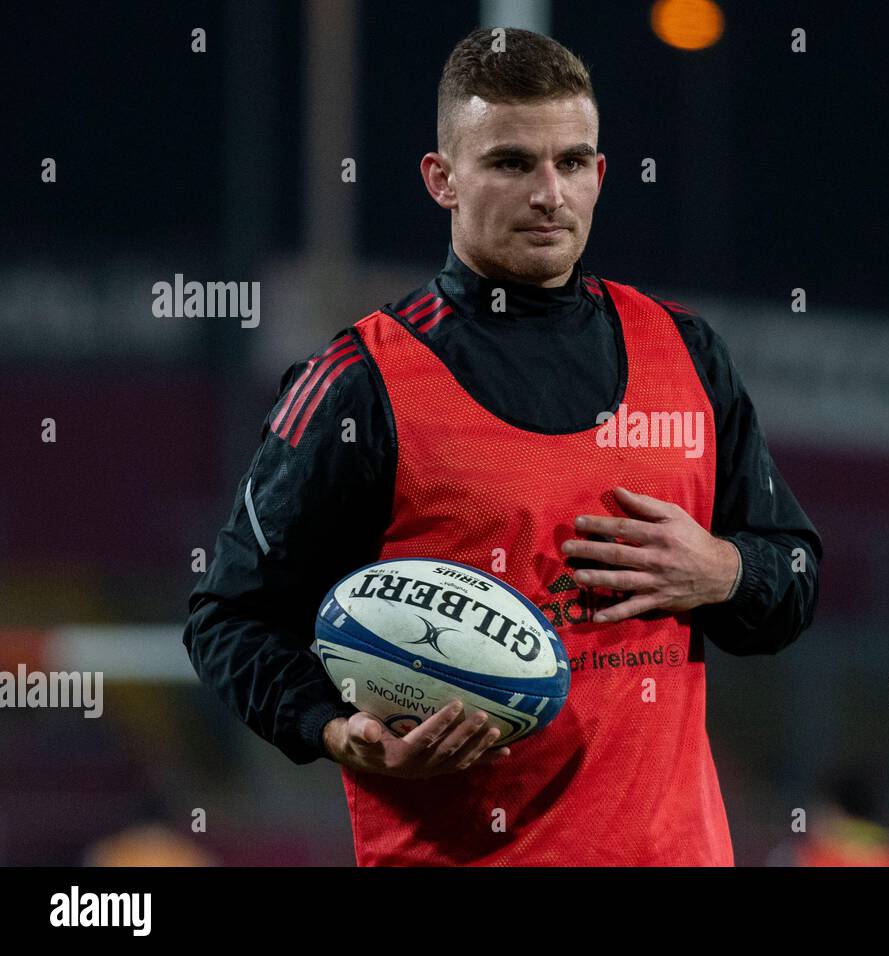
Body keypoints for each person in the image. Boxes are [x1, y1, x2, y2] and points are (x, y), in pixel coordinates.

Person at [184, 26, 821, 865]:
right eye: (513, 163)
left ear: (600, 174)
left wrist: (725, 571)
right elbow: (228, 618)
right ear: (441, 179)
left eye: (572, 162)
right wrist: (334, 729)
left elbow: (795, 575)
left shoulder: (688, 353)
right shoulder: (363, 382)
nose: (549, 193)